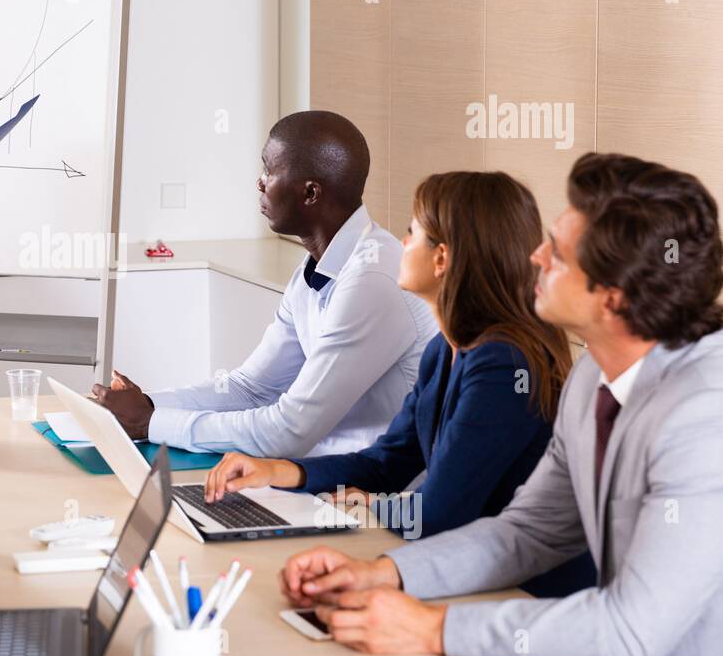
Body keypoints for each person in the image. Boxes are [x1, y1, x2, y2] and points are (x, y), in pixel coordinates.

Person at [280, 153, 723, 656]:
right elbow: (527, 532)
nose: (536, 256)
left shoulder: (702, 417)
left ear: (612, 297)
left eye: (559, 253)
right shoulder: (592, 376)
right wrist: (383, 573)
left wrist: (431, 628)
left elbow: (628, 634)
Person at [204, 172, 594, 596]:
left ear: (442, 259)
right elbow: (386, 463)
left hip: (523, 591)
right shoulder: (445, 350)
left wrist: (376, 506)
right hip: (465, 573)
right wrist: (280, 470)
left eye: (412, 232)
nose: (402, 244)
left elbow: (439, 514)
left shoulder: (504, 366)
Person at [93, 111, 437, 457]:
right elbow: (251, 388)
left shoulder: (372, 279)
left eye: (269, 171)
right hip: (326, 468)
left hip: (373, 483)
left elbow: (289, 430)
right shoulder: (317, 268)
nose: (260, 183)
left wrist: (149, 422)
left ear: (310, 193)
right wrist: (146, 405)